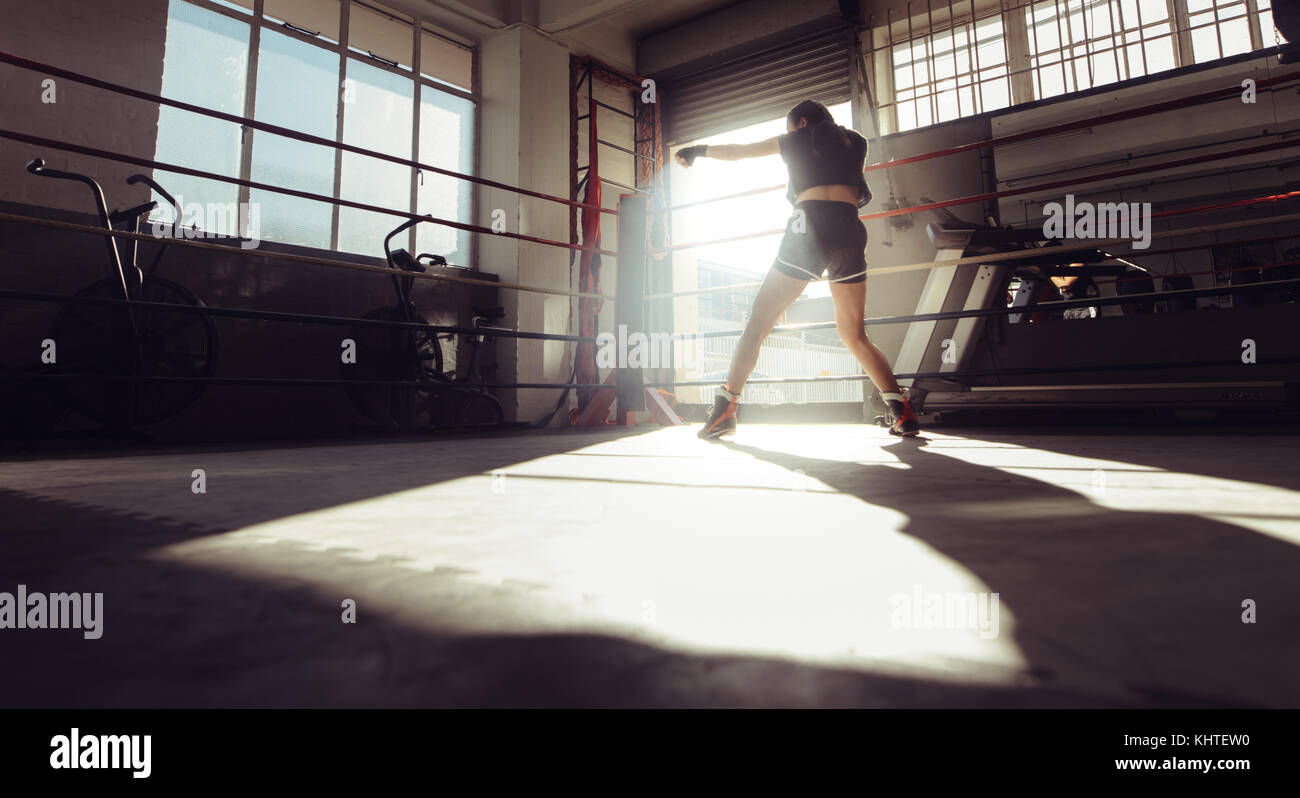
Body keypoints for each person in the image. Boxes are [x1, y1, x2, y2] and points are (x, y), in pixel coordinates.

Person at [674, 99, 920, 439]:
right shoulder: (857, 142)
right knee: (854, 335)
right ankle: (902, 409)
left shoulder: (795, 139)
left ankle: (725, 410)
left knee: (758, 324)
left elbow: (736, 151)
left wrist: (696, 150)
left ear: (801, 123)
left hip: (810, 226)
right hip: (850, 229)